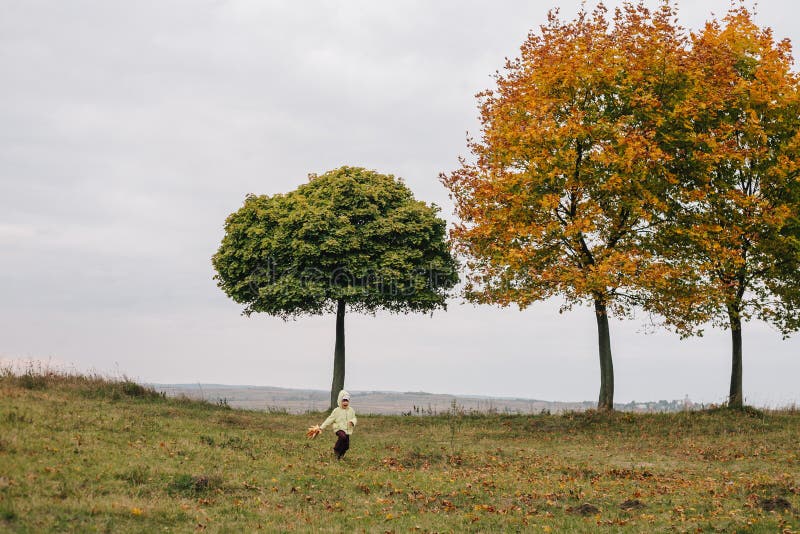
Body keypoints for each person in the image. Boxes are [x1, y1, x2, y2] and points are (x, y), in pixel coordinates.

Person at [318, 389, 357, 459]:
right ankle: (336, 449)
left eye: (347, 401)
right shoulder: (336, 411)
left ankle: (340, 455)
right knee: (342, 436)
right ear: (340, 401)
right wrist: (321, 427)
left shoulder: (351, 410)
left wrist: (352, 422)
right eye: (343, 400)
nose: (345, 402)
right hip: (339, 429)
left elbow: (354, 418)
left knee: (346, 445)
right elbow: (329, 419)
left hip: (347, 430)